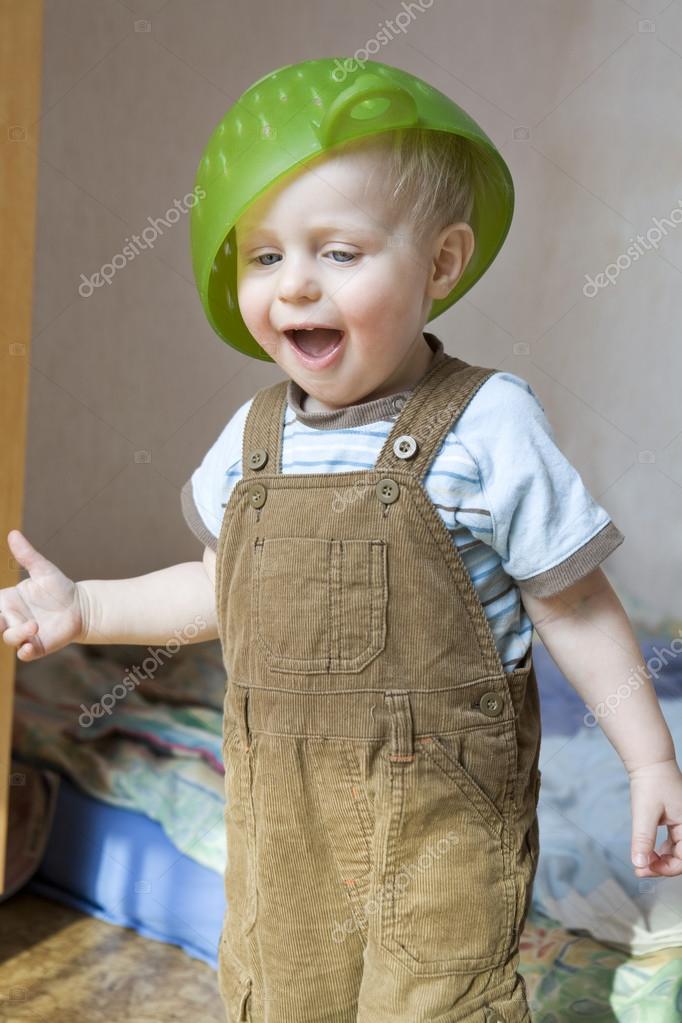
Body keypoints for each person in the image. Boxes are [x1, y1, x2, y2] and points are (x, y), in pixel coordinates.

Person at [2, 58, 681, 1023]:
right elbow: (218, 585)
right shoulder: (250, 439)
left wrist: (650, 760)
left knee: (438, 1001)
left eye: (339, 251)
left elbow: (571, 604)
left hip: (441, 825)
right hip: (281, 824)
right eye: (264, 257)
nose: (295, 285)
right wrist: (87, 607)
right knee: (281, 995)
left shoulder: (488, 423)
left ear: (440, 263)